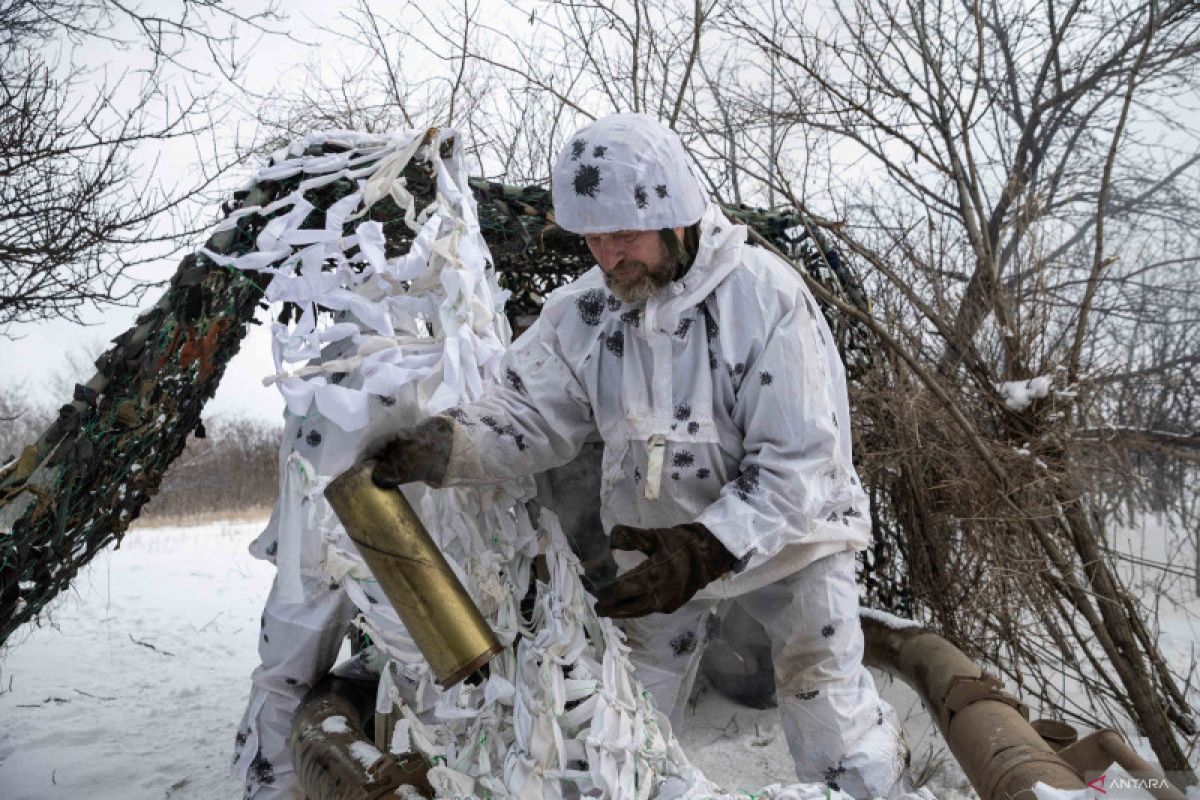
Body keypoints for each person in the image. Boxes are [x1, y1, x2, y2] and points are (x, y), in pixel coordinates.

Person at [370, 112, 909, 798]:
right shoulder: (583, 314)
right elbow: (530, 412)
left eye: (623, 234)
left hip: (795, 540)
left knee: (823, 702)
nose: (608, 255)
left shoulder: (764, 298)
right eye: (593, 237)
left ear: (677, 216)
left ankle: (874, 783)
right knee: (623, 721)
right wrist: (447, 446)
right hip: (656, 558)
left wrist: (709, 545)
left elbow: (799, 462)